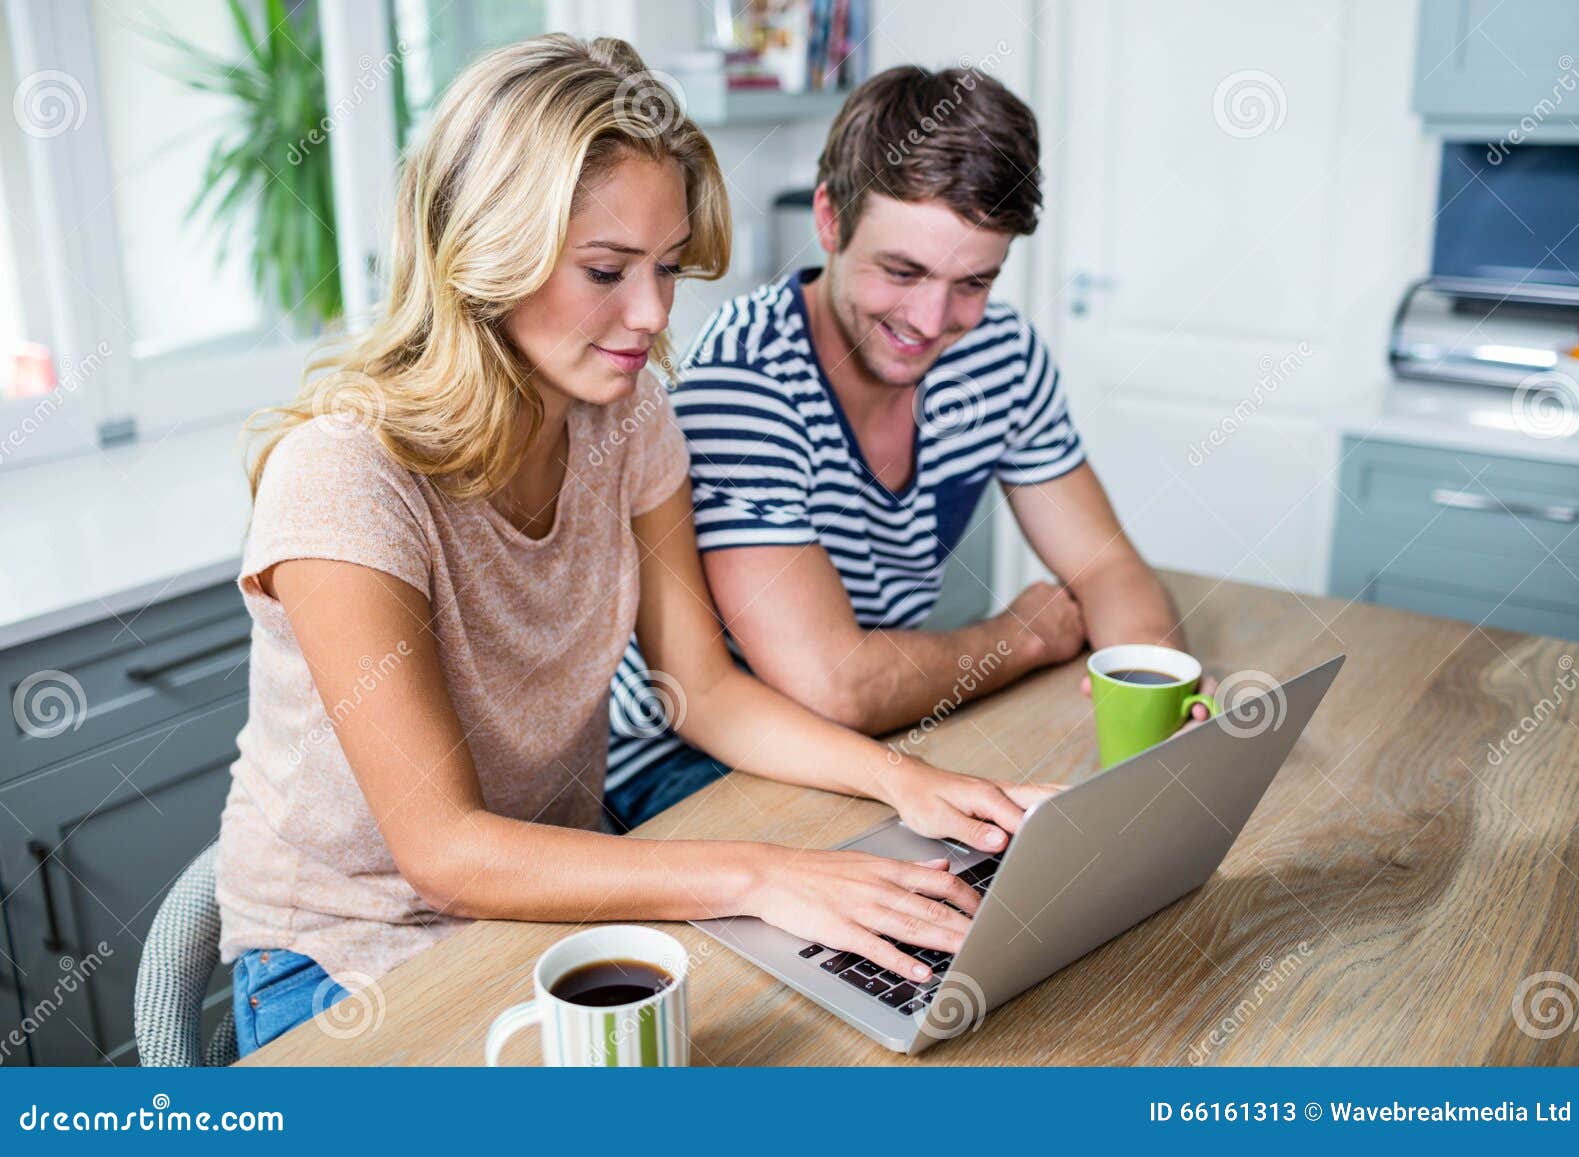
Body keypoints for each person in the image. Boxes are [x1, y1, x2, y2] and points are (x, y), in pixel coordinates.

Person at [216, 35, 1056, 1059]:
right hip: (346, 958)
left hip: (560, 890)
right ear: (484, 253)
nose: (653, 314)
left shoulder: (625, 421)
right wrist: (759, 873)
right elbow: (441, 852)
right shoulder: (347, 475)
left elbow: (699, 688)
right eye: (606, 271)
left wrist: (901, 780)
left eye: (663, 269)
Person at [606, 63, 1211, 830]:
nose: (933, 319)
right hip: (683, 769)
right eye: (903, 270)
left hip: (874, 741)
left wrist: (1160, 698)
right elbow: (836, 685)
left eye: (973, 282)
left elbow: (1108, 566)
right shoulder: (745, 379)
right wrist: (1024, 637)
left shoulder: (1000, 355)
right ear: (828, 220)